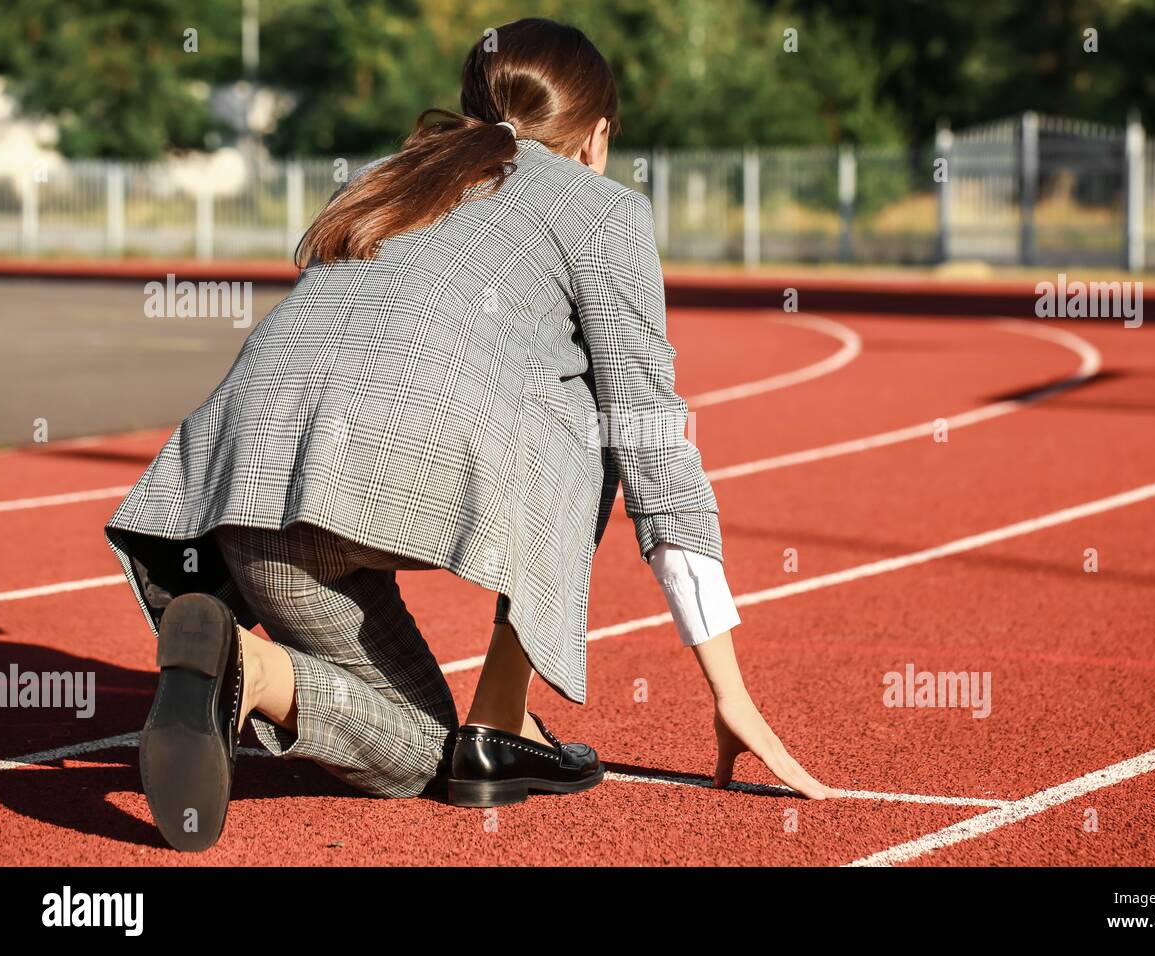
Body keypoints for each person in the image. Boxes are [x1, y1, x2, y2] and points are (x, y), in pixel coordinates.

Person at [106, 16, 833, 852]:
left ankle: (246, 667)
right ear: (595, 138)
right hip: (393, 471)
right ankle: (494, 713)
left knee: (414, 742)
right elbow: (650, 436)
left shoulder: (387, 178)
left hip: (247, 490)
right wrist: (729, 690)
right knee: (601, 415)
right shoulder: (602, 208)